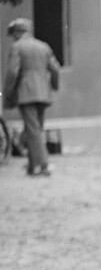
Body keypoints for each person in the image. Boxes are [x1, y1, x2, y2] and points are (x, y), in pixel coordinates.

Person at [3, 17, 60, 177]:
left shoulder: (17, 47)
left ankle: (43, 165)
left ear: (17, 33)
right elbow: (55, 69)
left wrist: (8, 93)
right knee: (35, 129)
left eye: (14, 34)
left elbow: (12, 72)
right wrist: (54, 86)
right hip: (44, 93)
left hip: (26, 93)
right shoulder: (43, 46)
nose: (13, 38)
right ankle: (32, 165)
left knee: (33, 130)